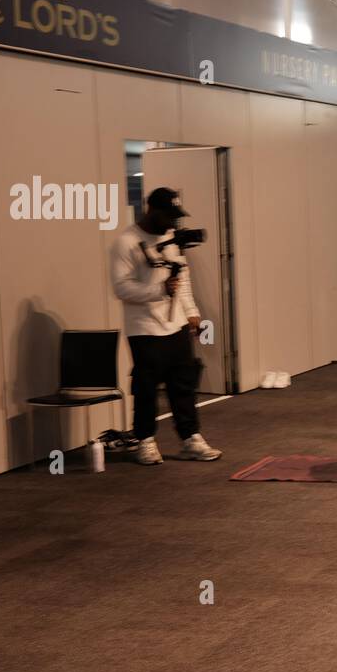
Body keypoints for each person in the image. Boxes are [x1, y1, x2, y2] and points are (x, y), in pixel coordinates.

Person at [110, 187, 222, 464]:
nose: (173, 223)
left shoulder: (172, 238)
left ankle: (190, 438)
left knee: (183, 384)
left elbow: (181, 276)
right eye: (169, 216)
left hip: (177, 324)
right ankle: (145, 440)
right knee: (146, 386)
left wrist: (192, 311)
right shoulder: (126, 242)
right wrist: (158, 291)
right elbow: (121, 288)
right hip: (144, 328)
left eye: (176, 217)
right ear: (152, 211)